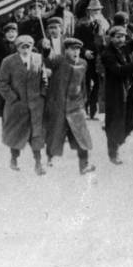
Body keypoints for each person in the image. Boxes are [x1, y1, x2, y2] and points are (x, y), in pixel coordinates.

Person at [0, 36, 50, 175]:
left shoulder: (38, 58)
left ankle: (38, 163)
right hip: (17, 106)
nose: (26, 49)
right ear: (17, 47)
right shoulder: (8, 61)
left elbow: (44, 79)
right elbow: (2, 84)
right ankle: (14, 159)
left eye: (28, 46)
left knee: (36, 134)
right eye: (22, 47)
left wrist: (42, 95)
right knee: (16, 133)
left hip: (35, 105)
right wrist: (13, 99)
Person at [43, 37, 95, 174]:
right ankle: (50, 159)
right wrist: (46, 48)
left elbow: (83, 83)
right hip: (58, 104)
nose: (76, 52)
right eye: (72, 49)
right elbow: (48, 59)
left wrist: (84, 101)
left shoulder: (83, 63)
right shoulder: (59, 61)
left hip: (76, 105)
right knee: (55, 133)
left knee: (82, 136)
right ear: (66, 50)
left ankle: (84, 165)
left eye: (78, 49)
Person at [101, 25, 133, 165]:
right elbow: (119, 71)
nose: (121, 40)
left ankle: (118, 141)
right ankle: (113, 153)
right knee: (115, 124)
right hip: (115, 93)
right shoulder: (107, 54)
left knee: (132, 120)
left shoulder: (124, 47)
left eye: (123, 37)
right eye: (118, 37)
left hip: (129, 89)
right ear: (111, 38)